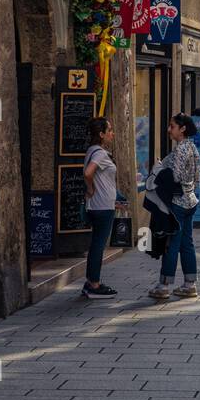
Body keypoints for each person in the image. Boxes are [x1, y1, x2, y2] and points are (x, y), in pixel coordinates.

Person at [148, 114, 200, 300]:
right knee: (187, 243)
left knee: (172, 244)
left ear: (182, 128)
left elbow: (176, 177)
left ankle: (163, 286)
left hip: (178, 203)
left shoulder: (180, 150)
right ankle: (189, 284)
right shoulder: (192, 147)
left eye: (172, 126)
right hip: (191, 200)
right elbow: (198, 178)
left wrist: (162, 171)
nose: (169, 130)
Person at [82, 118, 119, 299]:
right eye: (109, 130)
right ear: (101, 134)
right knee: (98, 245)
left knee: (95, 244)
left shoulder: (92, 150)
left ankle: (90, 282)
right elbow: (88, 173)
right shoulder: (100, 154)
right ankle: (94, 285)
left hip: (97, 204)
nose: (112, 133)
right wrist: (90, 188)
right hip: (102, 206)